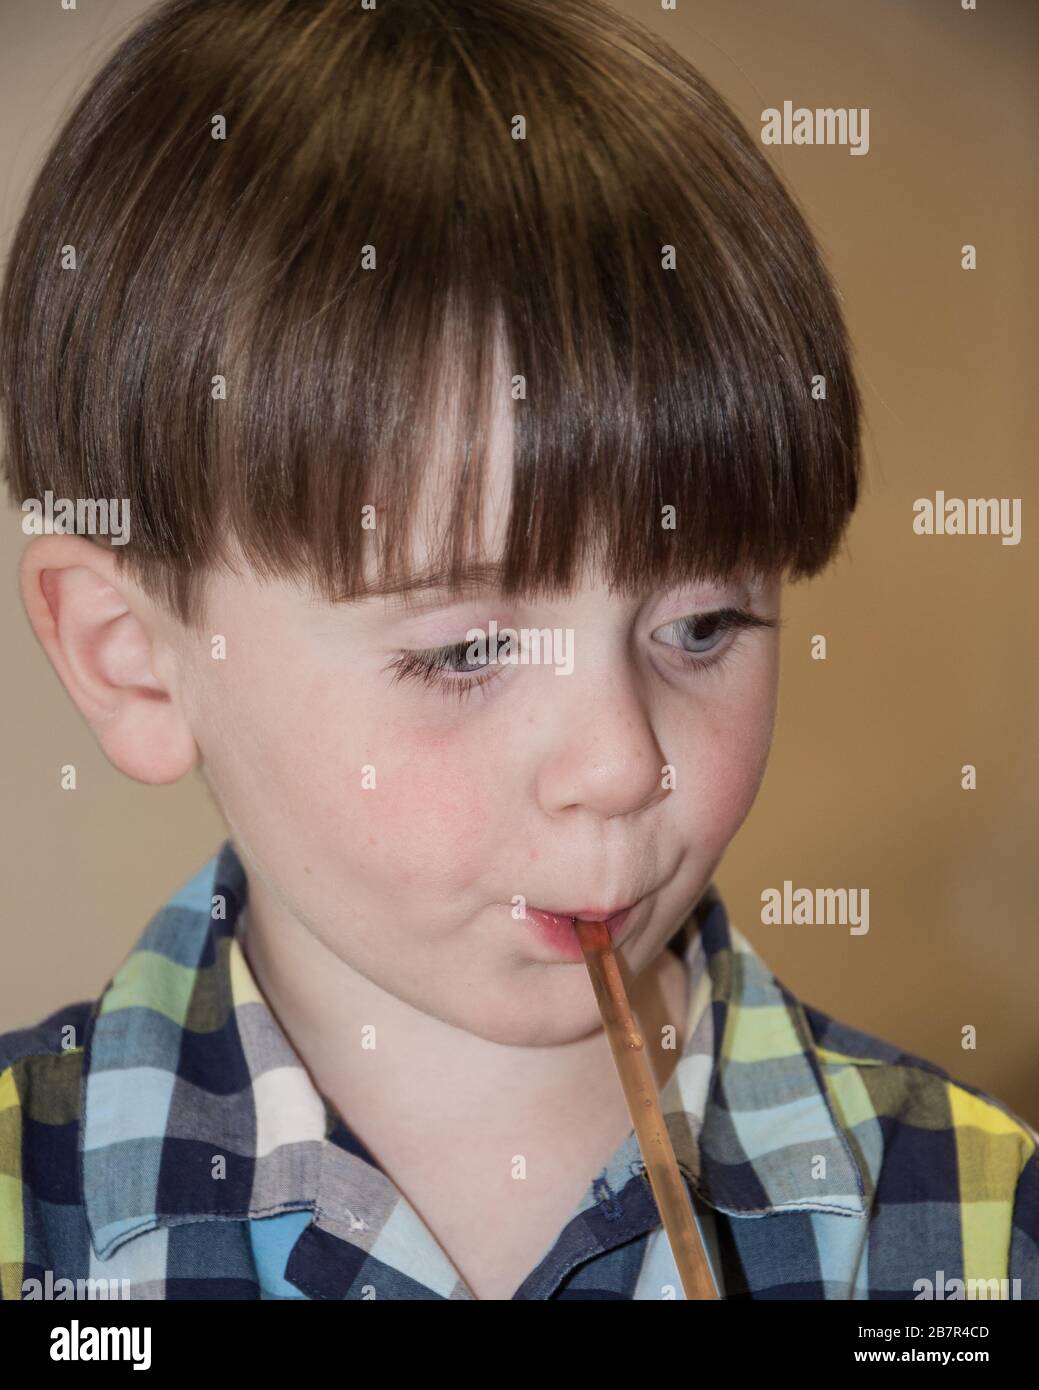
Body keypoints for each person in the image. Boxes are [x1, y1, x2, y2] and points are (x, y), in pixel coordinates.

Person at [1, 0, 1035, 1301]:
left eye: (702, 624)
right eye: (469, 648)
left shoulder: (983, 1230)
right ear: (135, 659)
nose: (617, 762)